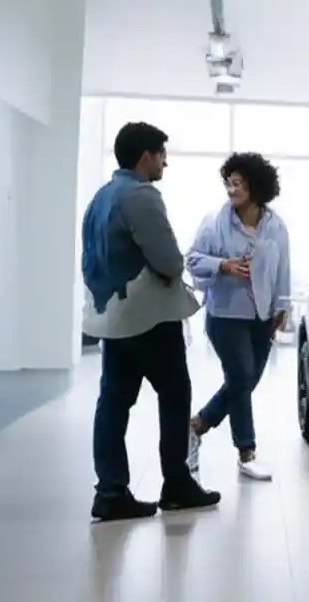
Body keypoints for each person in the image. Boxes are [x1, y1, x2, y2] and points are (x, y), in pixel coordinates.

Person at [81, 121, 221, 521]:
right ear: (145, 156)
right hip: (149, 319)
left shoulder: (102, 197)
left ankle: (110, 492)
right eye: (162, 155)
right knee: (176, 396)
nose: (164, 162)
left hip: (114, 319)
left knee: (113, 403)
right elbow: (170, 261)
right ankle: (176, 484)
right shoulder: (141, 196)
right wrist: (170, 269)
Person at [185, 152, 290, 481]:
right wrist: (223, 265)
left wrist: (282, 307)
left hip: (261, 316)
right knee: (242, 376)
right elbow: (191, 259)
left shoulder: (276, 226)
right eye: (229, 183)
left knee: (246, 381)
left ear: (257, 186)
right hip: (225, 315)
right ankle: (247, 451)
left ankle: (197, 426)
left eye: (238, 183)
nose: (232, 190)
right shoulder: (215, 221)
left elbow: (283, 269)